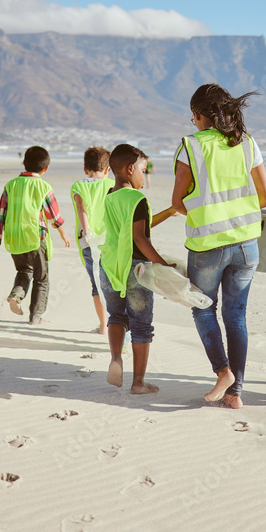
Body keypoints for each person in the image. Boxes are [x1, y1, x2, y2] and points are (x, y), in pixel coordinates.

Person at [172, 83, 266, 409]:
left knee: (202, 308)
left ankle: (223, 371)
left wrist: (206, 212)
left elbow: (177, 202)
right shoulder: (247, 143)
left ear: (199, 115)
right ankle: (235, 394)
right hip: (246, 244)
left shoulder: (191, 145)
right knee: (236, 316)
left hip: (207, 246)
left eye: (193, 117)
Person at [100, 144, 178, 393]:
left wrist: (168, 212)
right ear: (130, 168)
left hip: (110, 266)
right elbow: (140, 238)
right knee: (142, 325)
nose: (144, 177)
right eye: (143, 171)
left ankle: (115, 359)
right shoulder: (138, 198)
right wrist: (163, 265)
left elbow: (137, 227)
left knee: (116, 316)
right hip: (136, 270)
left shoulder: (110, 196)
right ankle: (138, 383)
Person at [0, 146, 71, 324]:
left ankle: (16, 295)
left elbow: (1, 211)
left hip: (14, 237)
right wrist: (63, 232)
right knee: (41, 278)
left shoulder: (10, 185)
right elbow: (53, 215)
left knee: (23, 270)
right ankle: (36, 317)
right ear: (45, 168)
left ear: (23, 163)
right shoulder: (43, 186)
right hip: (36, 238)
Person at [71, 146, 114, 335]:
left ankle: (103, 326)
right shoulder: (112, 184)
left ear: (85, 169)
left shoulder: (78, 186)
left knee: (96, 284)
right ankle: (117, 323)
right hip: (111, 242)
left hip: (88, 243)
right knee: (114, 282)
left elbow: (81, 207)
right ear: (107, 169)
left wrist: (87, 230)